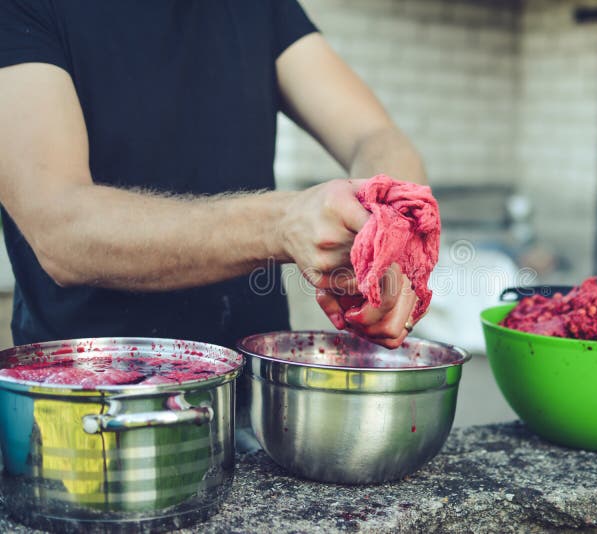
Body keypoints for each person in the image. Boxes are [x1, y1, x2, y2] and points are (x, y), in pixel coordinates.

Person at [0, 0, 427, 350]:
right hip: (87, 404)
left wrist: (388, 229)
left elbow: (374, 135)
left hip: (252, 394)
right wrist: (281, 224)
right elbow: (59, 228)